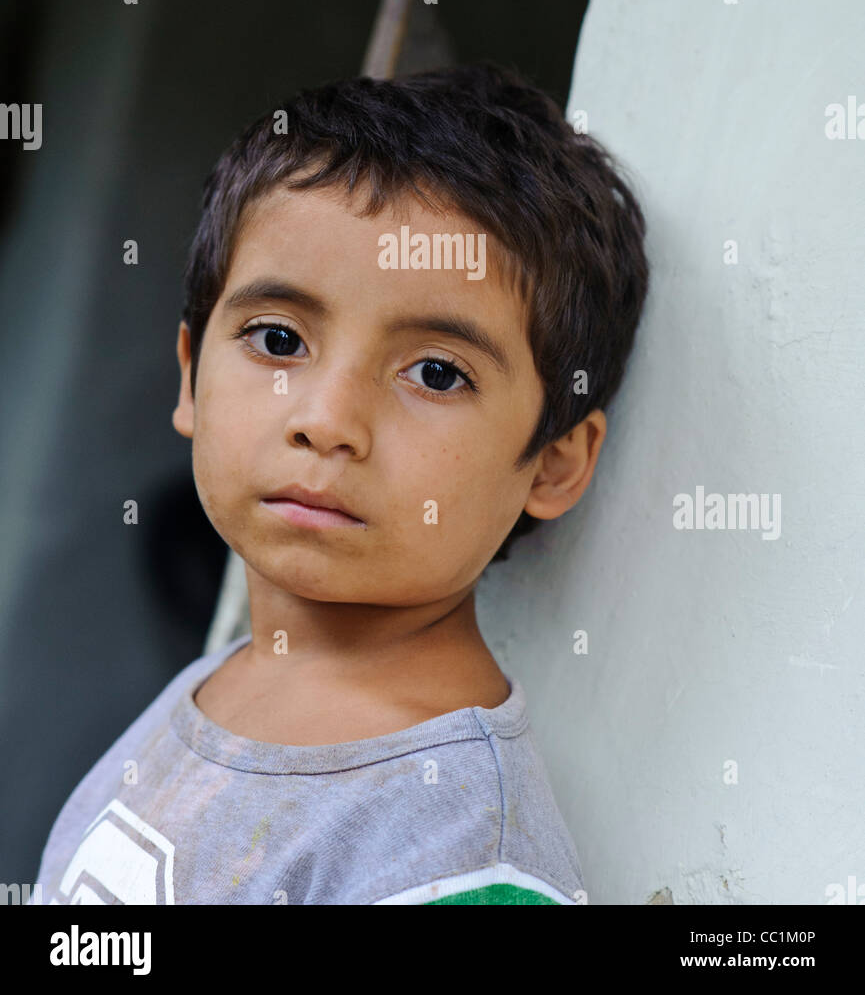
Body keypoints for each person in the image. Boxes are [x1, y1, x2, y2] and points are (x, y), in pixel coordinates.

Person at [31, 59, 649, 905]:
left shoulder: (455, 856)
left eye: (435, 372)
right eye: (279, 341)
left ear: (553, 461)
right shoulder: (223, 688)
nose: (326, 420)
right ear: (191, 378)